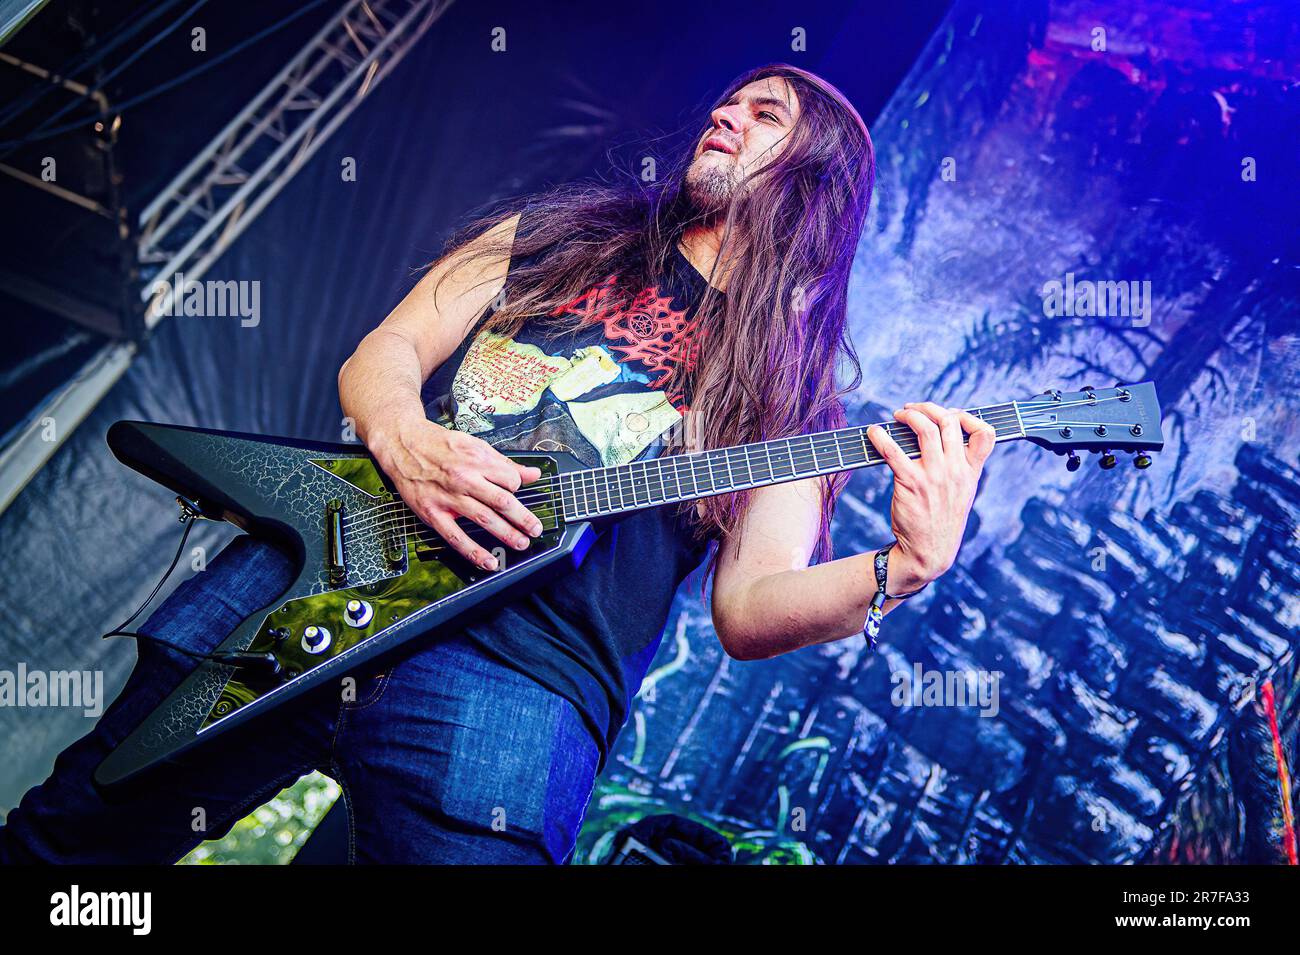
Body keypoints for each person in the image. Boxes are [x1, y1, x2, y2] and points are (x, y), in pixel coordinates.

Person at [0, 64, 994, 864]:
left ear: (816, 179)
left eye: (765, 114)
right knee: (68, 849)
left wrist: (902, 569)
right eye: (727, 102)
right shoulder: (555, 237)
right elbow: (384, 355)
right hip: (320, 569)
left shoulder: (788, 399)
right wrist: (406, 437)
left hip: (518, 688)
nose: (726, 116)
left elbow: (750, 609)